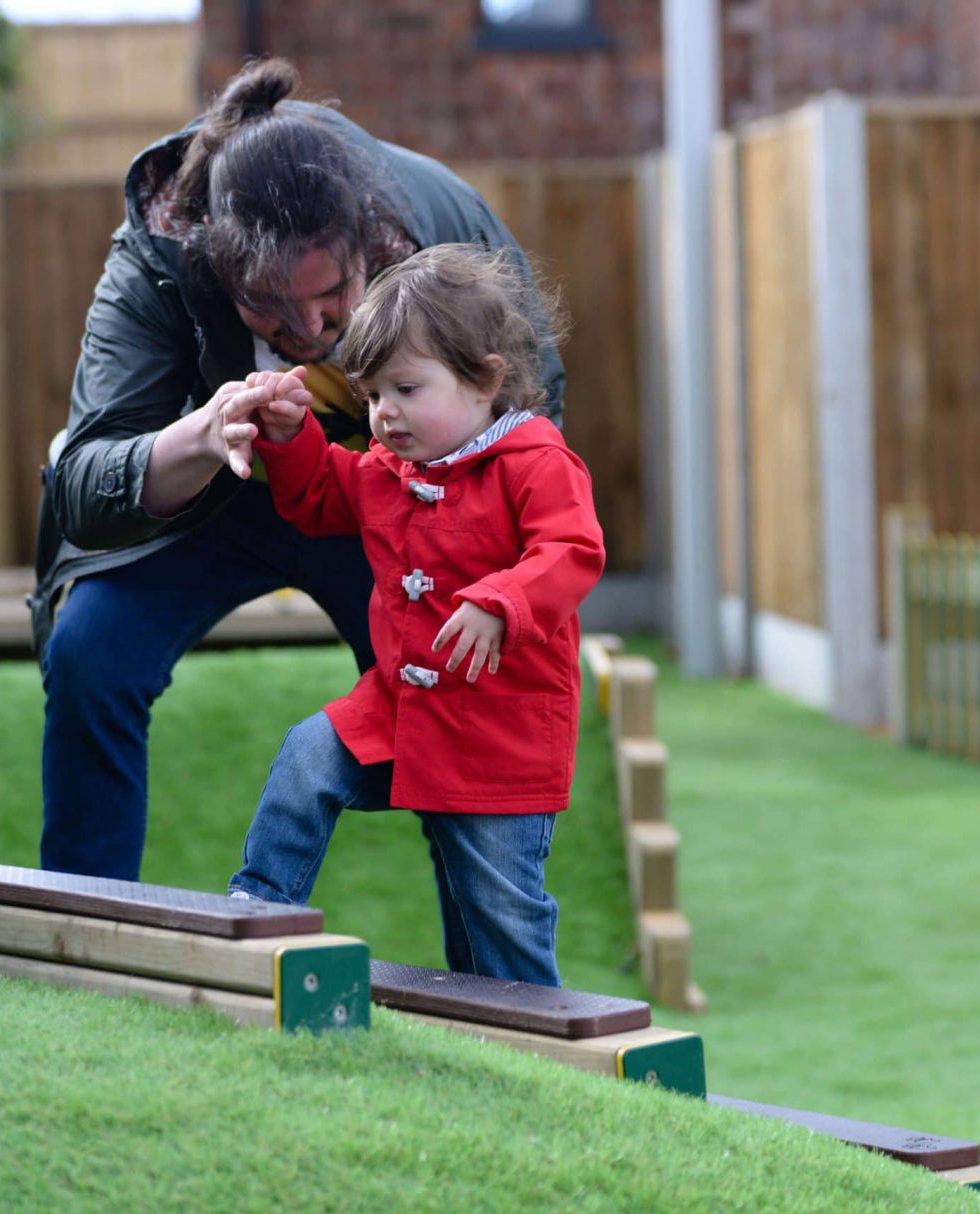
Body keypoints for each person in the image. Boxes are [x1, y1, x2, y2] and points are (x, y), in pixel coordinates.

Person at [30, 59, 564, 881]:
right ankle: (82, 931)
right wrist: (201, 435)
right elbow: (82, 489)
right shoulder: (157, 256)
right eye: (268, 310)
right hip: (217, 493)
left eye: (329, 298)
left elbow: (534, 411)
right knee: (89, 655)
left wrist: (485, 570)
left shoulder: (440, 233)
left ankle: (485, 981)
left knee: (453, 691)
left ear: (366, 245)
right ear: (214, 265)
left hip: (390, 501)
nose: (307, 331)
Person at [222, 244, 604, 986]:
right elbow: (320, 495)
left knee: (496, 915)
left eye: (405, 388)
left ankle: (540, 1041)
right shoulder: (396, 471)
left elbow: (572, 549)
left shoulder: (536, 462)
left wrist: (504, 603)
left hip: (500, 741)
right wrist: (289, 433)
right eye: (370, 395)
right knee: (308, 755)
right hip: (401, 713)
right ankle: (256, 915)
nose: (383, 414)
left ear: (484, 379)